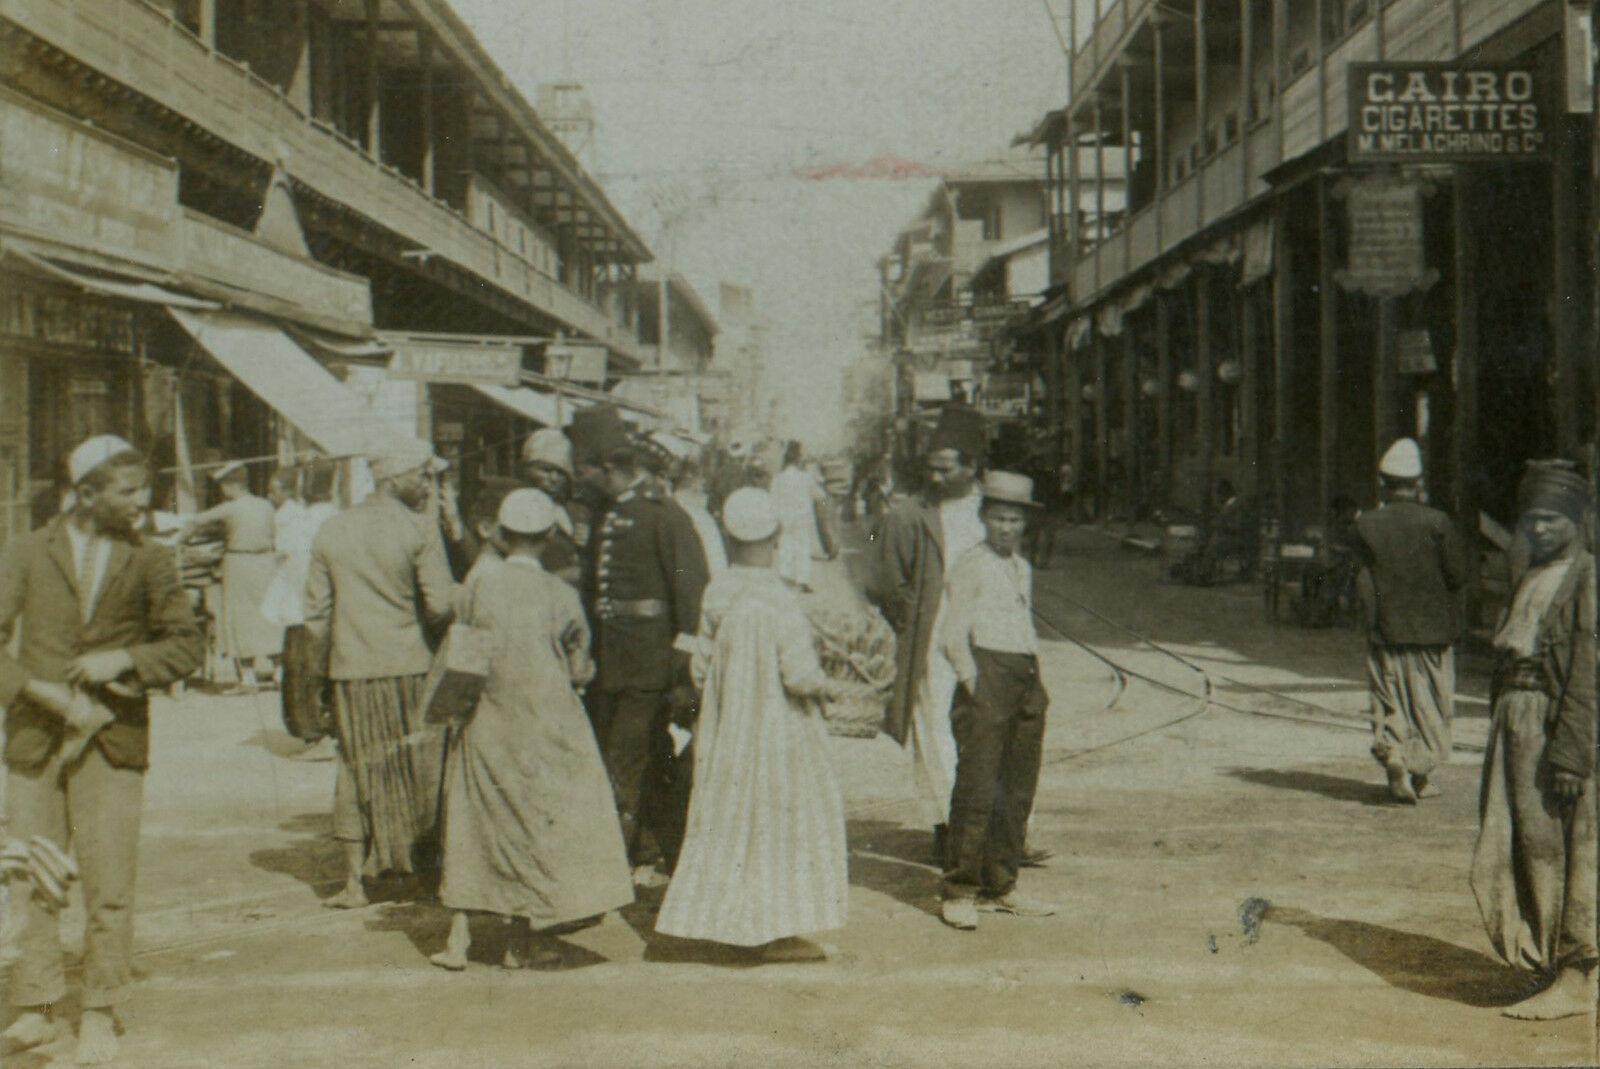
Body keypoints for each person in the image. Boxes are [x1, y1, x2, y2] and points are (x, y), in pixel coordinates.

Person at [0, 436, 203, 1064]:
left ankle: (99, 1008)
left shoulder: (152, 560)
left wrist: (127, 658)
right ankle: (34, 1003)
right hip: (36, 738)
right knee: (34, 874)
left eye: (142, 489)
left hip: (112, 742)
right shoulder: (27, 551)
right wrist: (47, 696)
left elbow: (186, 646)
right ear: (85, 493)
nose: (141, 502)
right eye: (127, 491)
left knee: (109, 879)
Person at [431, 489, 633, 972]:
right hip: (546, 724)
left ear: (501, 534)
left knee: (475, 820)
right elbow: (580, 670)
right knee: (534, 821)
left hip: (489, 717)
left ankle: (458, 939)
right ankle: (519, 942)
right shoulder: (561, 596)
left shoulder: (479, 587)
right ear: (547, 537)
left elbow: (463, 658)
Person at [656, 488, 849, 960]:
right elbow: (800, 676)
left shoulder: (718, 589)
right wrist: (830, 687)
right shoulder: (781, 597)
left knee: (726, 817)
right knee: (780, 823)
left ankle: (721, 921)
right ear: (777, 536)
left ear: (726, 534)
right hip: (780, 735)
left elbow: (700, 668)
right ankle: (774, 931)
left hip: (728, 733)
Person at [304, 438, 457, 908]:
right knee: (425, 766)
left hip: (351, 670)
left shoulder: (332, 529)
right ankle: (428, 872)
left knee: (355, 767)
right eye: (423, 476)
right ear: (396, 479)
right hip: (411, 666)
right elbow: (440, 605)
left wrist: (320, 678)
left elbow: (316, 617)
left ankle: (354, 882)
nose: (428, 485)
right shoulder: (419, 530)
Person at [1469, 462, 1596, 1021]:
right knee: (1523, 842)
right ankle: (1551, 965)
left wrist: (1571, 752)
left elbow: (1589, 672)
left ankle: (1578, 974)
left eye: (1551, 519)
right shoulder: (1533, 573)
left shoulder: (1587, 578)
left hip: (1554, 727)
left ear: (1576, 520)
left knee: (1566, 848)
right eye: (1531, 520)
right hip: (1518, 725)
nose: (1539, 529)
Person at [588, 425, 711, 886]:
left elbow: (690, 589)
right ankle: (665, 856)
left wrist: (681, 665)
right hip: (614, 659)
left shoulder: (664, 516)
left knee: (625, 760)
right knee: (650, 761)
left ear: (610, 469)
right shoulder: (609, 512)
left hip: (649, 661)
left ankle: (618, 865)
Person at [867, 404, 989, 860]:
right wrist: (915, 620)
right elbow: (881, 581)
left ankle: (992, 829)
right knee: (937, 731)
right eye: (931, 468)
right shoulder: (908, 515)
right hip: (933, 644)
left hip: (986, 640)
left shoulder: (991, 512)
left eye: (947, 468)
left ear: (972, 467)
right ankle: (947, 826)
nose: (936, 477)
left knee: (989, 731)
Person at [937, 472, 1056, 931]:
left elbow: (1022, 627)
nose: (1007, 527)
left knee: (1018, 786)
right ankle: (959, 889)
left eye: (1015, 519)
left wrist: (1032, 681)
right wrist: (976, 685)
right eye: (999, 518)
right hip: (988, 677)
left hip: (1025, 677)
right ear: (984, 518)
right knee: (978, 786)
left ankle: (1001, 884)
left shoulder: (1020, 567)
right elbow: (952, 638)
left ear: (1025, 524)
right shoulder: (972, 563)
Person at [1353, 439, 1468, 803]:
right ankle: (1420, 772)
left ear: (1383, 484)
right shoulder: (1437, 522)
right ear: (1419, 484)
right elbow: (1458, 574)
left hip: (1386, 628)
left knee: (1390, 698)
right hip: (1433, 630)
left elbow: (1360, 576)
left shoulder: (1365, 524)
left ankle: (1395, 756)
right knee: (1431, 701)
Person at [180, 460, 283, 690]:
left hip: (240, 563)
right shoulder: (265, 505)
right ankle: (279, 672)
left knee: (239, 617)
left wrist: (181, 540)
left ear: (231, 485)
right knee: (269, 617)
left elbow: (196, 520)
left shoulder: (231, 507)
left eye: (224, 486)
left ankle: (247, 676)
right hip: (266, 562)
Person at [263, 461, 341, 760]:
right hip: (325, 606)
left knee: (304, 672)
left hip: (304, 606)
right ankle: (324, 731)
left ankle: (316, 733)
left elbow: (291, 561)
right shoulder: (335, 518)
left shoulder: (301, 521)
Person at [519, 428, 583, 587]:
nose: (554, 478)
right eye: (546, 470)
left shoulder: (577, 511)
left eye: (561, 472)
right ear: (528, 470)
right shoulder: (519, 509)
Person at [771, 441, 830, 591]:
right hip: (803, 519)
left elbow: (773, 499)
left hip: (785, 519)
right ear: (798, 458)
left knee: (786, 547)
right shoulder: (805, 477)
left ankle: (785, 578)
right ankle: (802, 581)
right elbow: (820, 496)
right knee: (803, 548)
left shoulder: (778, 478)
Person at [671, 451, 729, 577]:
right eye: (701, 476)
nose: (703, 481)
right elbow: (717, 566)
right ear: (692, 479)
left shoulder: (665, 508)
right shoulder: (701, 517)